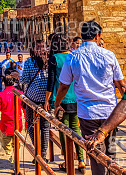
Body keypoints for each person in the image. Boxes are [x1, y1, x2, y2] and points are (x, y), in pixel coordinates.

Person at [54, 20, 125, 175]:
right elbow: (121, 85)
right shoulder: (109, 55)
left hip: (88, 115)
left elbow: (64, 86)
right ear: (97, 36)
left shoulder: (73, 57)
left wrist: (56, 104)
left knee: (96, 155)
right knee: (111, 153)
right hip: (110, 113)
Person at [44, 34, 85, 173]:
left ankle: (68, 161)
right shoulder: (75, 56)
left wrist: (47, 101)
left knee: (63, 130)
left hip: (60, 100)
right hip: (77, 99)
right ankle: (81, 160)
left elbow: (51, 82)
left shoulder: (54, 59)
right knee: (76, 129)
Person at [21, 40, 50, 161]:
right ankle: (43, 154)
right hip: (47, 99)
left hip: (32, 99)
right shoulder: (50, 61)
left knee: (30, 125)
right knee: (45, 127)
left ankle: (37, 149)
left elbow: (24, 80)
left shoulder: (29, 62)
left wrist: (17, 76)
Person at [0, 75, 23, 163]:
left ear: (3, 83)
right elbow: (25, 109)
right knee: (17, 144)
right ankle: (17, 160)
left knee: (6, 146)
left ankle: (10, 161)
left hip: (6, 125)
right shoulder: (20, 94)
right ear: (13, 82)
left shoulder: (1, 95)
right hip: (18, 124)